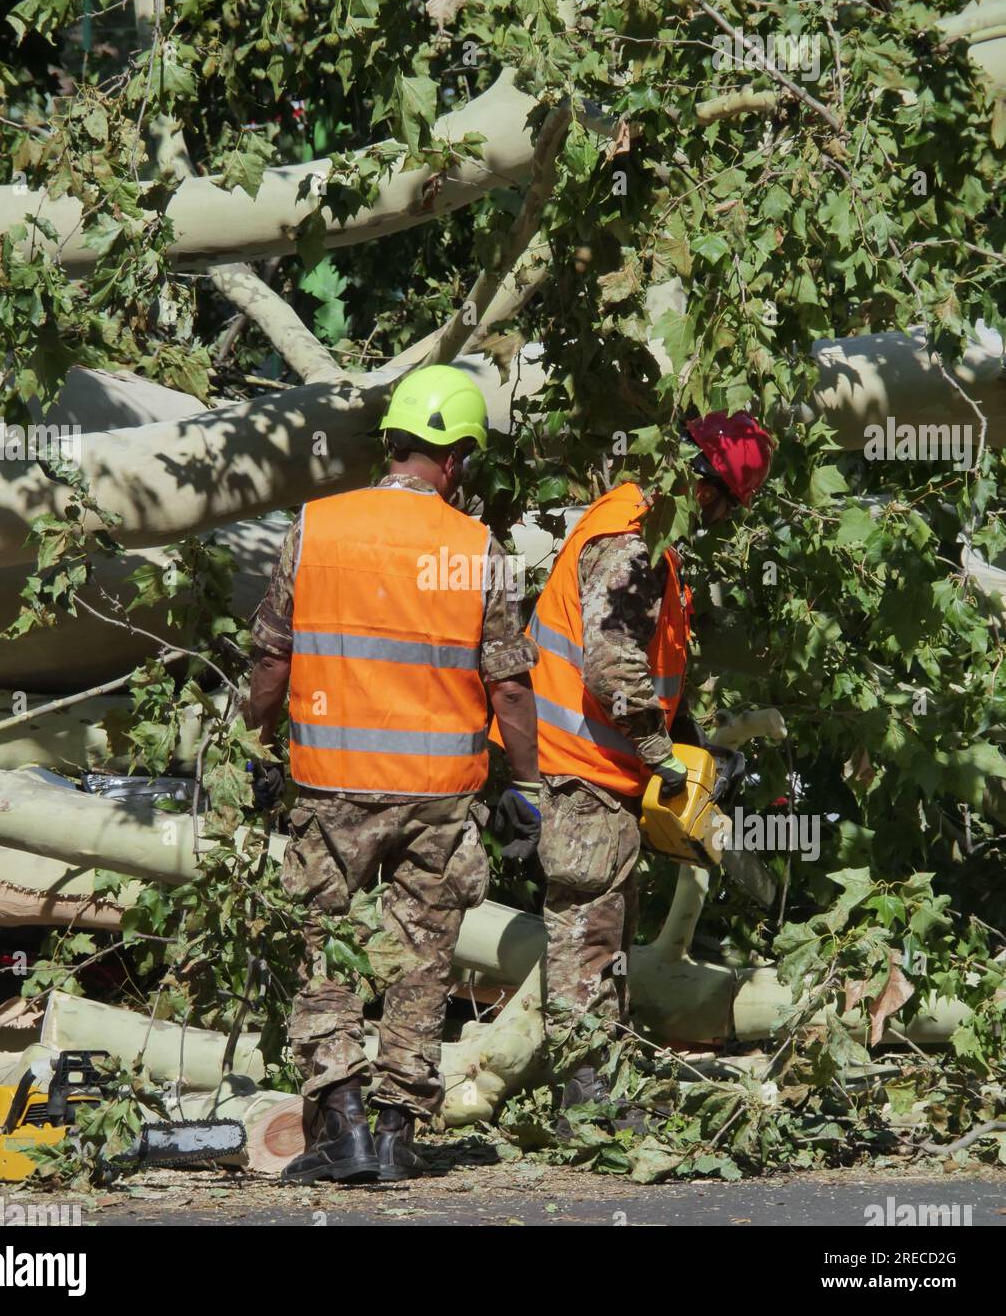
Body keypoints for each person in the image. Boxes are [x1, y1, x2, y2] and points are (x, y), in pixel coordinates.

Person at [246, 364, 539, 1184]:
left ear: (394, 445)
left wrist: (256, 746)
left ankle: (338, 1125)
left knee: (324, 951)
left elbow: (272, 656)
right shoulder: (477, 548)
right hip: (438, 797)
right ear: (457, 461)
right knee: (422, 962)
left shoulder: (318, 524)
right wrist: (526, 783)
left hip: (331, 786)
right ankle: (399, 1135)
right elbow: (510, 685)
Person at [498, 411, 774, 1126]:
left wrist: (692, 747)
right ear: (702, 482)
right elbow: (613, 666)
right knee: (587, 934)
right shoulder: (631, 541)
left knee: (607, 933)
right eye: (721, 502)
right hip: (583, 767)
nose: (715, 517)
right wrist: (663, 758)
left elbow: (651, 670)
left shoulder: (637, 529)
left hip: (601, 767)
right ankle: (583, 1100)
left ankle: (602, 1082)